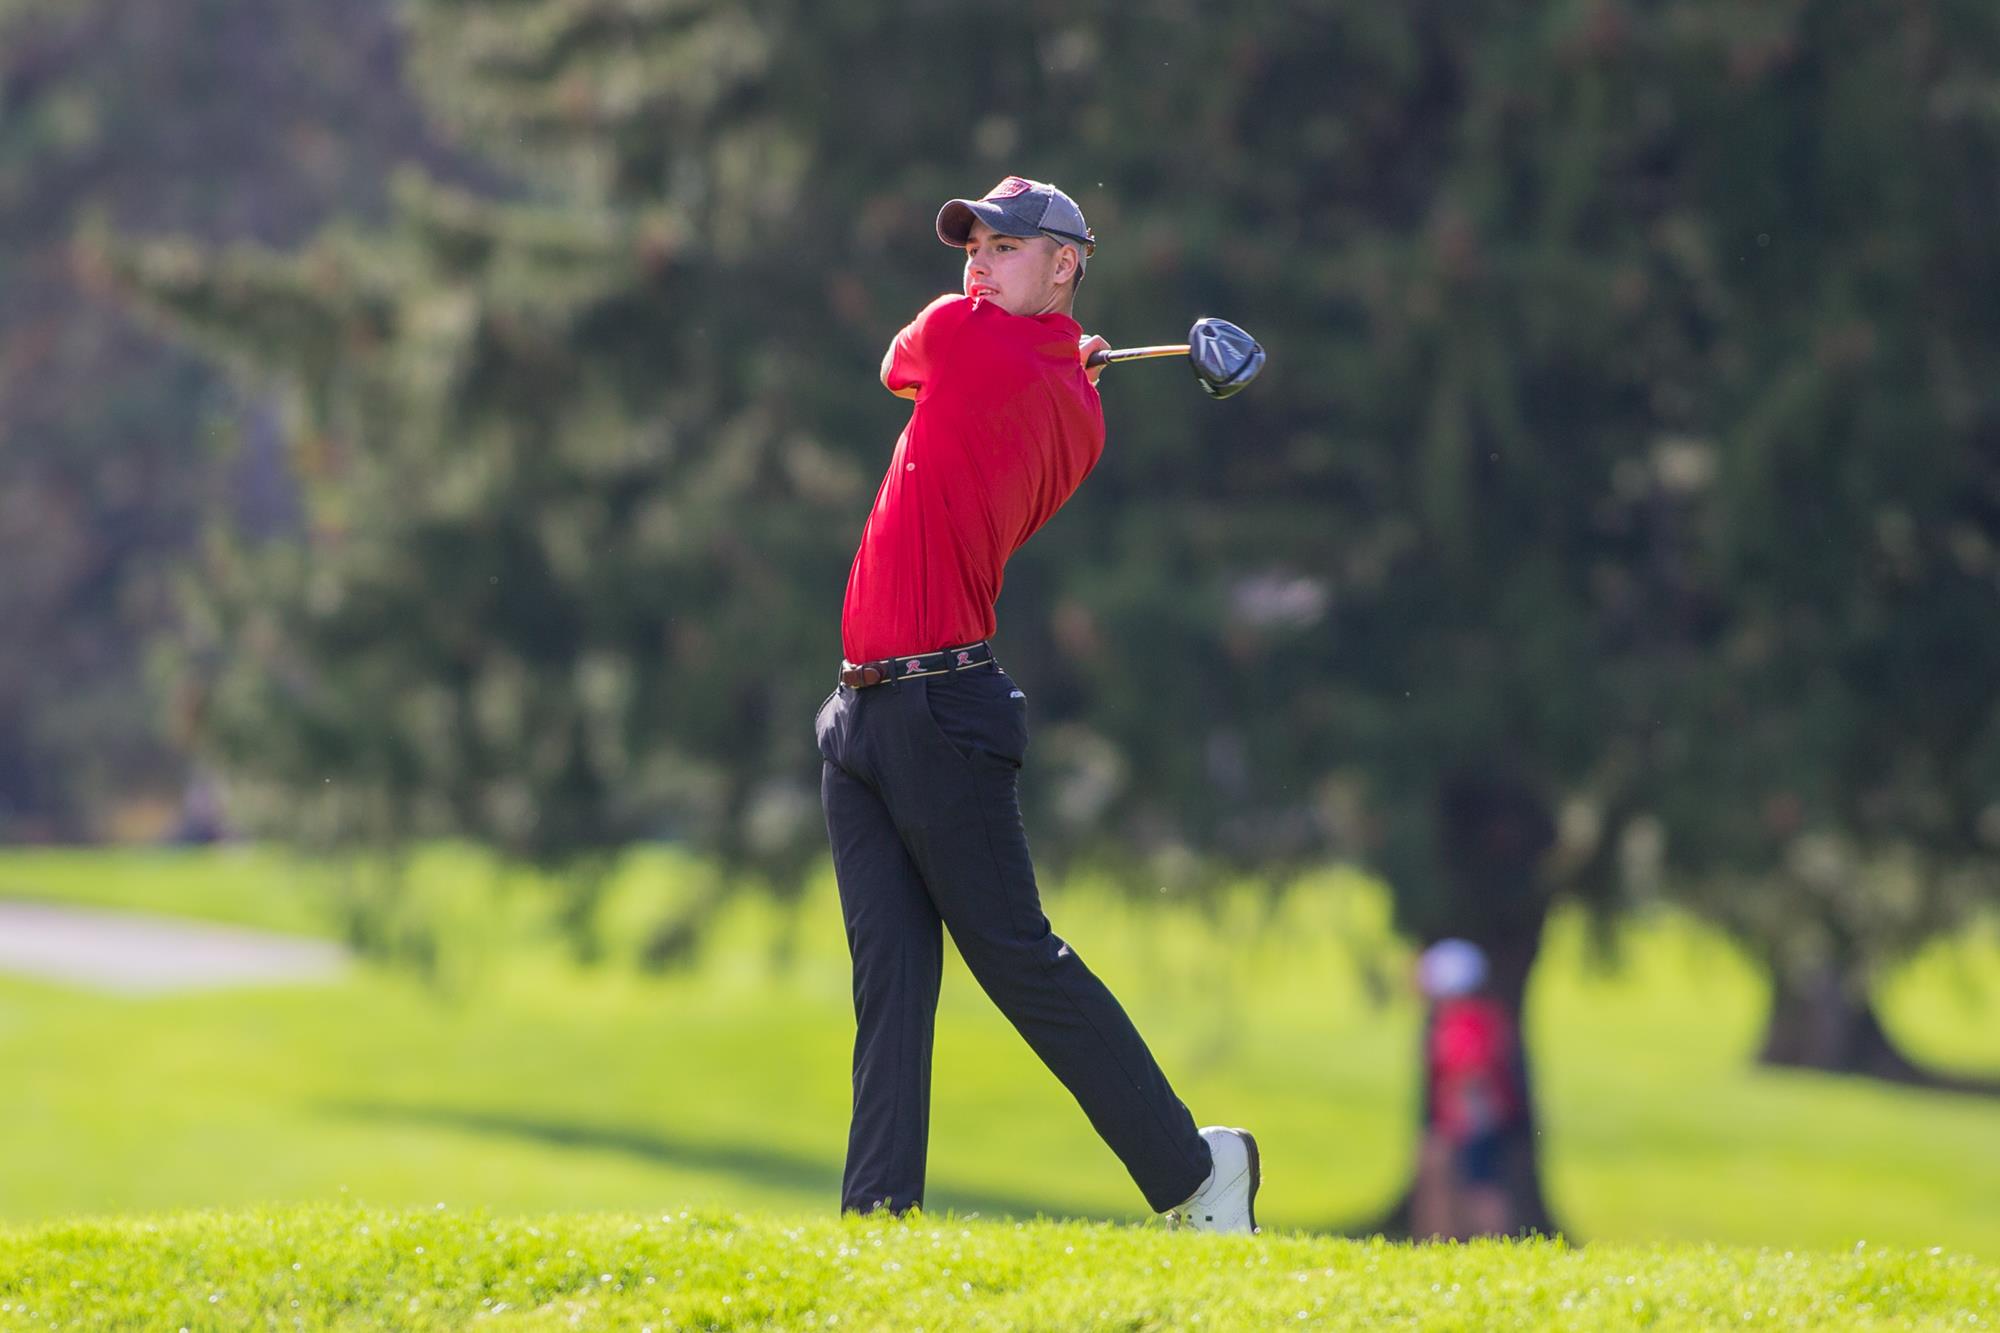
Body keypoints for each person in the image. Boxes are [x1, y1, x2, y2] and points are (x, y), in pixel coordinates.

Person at [814, 175, 1260, 1232]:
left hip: (939, 709)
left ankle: (1197, 1172)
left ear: (1066, 265)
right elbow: (1012, 384)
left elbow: (897, 364)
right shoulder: (1079, 407)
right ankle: (877, 1222)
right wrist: (1061, 354)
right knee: (891, 979)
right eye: (972, 245)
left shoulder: (963, 337)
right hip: (860, 713)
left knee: (1017, 958)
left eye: (1006, 247)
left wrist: (1043, 346)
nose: (977, 263)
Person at [1411, 938, 1523, 1239]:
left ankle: (1488, 1244)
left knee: (1479, 1188)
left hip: (1471, 1119)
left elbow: (1470, 1071)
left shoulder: (1463, 1020)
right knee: (1468, 1183)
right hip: (1473, 1118)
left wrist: (1457, 1121)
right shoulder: (1478, 1016)